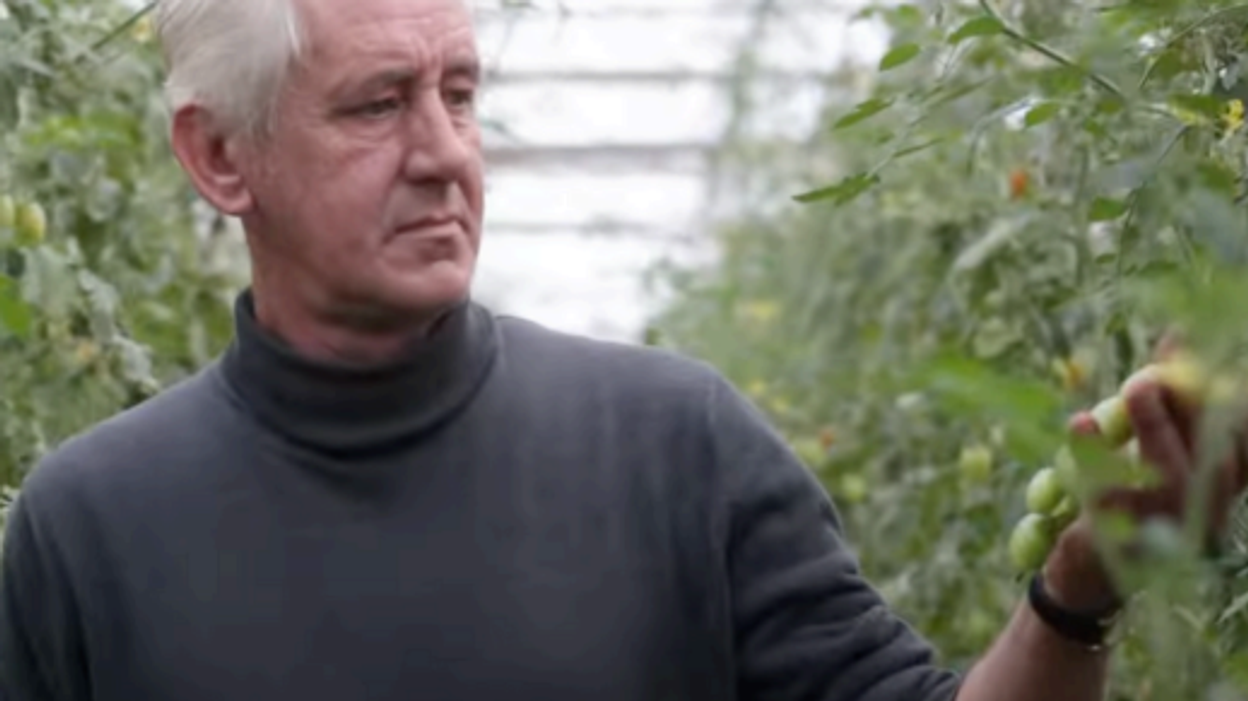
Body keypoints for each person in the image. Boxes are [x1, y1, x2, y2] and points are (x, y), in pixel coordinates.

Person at [1, 0, 1244, 699]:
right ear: (220, 156)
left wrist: (1076, 593)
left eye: (463, 93)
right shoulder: (91, 529)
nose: (444, 151)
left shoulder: (675, 447)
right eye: (377, 104)